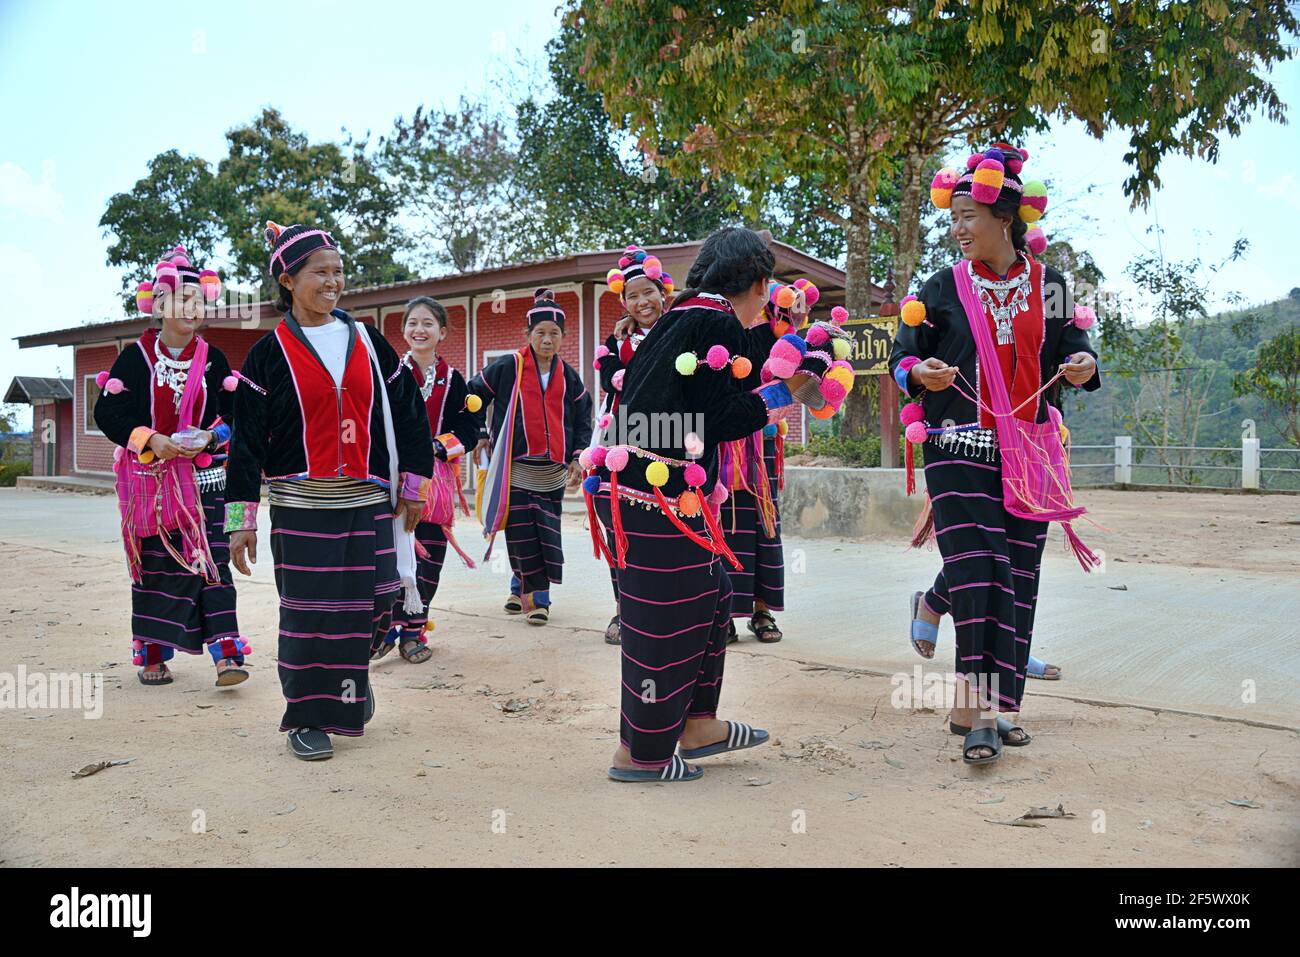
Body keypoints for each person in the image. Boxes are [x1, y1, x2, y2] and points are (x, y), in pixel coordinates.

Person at [888, 144, 1100, 765]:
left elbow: (1077, 348)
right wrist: (915, 373)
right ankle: (977, 711)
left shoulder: (1051, 285)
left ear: (1004, 218)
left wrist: (1085, 365)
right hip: (956, 447)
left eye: (967, 219)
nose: (957, 230)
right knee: (979, 566)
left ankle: (995, 709)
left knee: (1020, 575)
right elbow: (905, 355)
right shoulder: (939, 287)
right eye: (951, 219)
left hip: (1029, 453)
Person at [583, 226, 808, 782]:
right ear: (758, 283)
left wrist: (796, 336)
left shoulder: (686, 317)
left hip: (649, 486)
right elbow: (719, 417)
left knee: (711, 596)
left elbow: (716, 383)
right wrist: (785, 395)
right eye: (769, 290)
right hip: (657, 494)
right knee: (667, 620)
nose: (768, 302)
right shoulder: (713, 322)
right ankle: (640, 753)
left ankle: (696, 724)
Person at [224, 222, 433, 761]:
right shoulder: (267, 355)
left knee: (377, 601)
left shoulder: (367, 341)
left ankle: (349, 683)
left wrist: (414, 482)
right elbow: (245, 442)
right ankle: (309, 716)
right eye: (321, 272)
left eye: (339, 271)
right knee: (311, 612)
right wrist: (240, 519)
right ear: (289, 281)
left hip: (368, 502)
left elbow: (408, 412)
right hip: (301, 507)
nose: (334, 281)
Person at [94, 245, 249, 688]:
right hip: (151, 482)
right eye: (182, 299)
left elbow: (236, 414)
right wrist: (151, 439)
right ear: (158, 305)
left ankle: (227, 656)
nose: (192, 308)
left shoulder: (214, 359)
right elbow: (108, 414)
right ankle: (153, 653)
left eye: (199, 300)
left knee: (212, 561)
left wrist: (210, 436)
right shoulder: (134, 358)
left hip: (205, 480)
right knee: (159, 564)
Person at [467, 289, 593, 625]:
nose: (547, 340)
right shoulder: (509, 366)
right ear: (528, 335)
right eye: (541, 333)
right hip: (516, 467)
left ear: (563, 337)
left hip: (551, 473)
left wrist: (579, 456)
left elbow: (584, 417)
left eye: (554, 334)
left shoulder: (569, 376)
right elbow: (472, 394)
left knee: (546, 532)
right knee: (522, 531)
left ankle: (518, 585)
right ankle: (539, 599)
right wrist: (480, 433)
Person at [373, 297, 482, 663]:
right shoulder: (387, 374)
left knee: (429, 555)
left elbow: (470, 429)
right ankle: (388, 626)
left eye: (428, 324)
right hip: (390, 477)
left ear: (443, 332)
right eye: (413, 323)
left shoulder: (454, 382)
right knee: (390, 555)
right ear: (403, 330)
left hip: (433, 483)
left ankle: (414, 630)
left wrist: (437, 446)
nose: (419, 330)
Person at [594, 244, 673, 644]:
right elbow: (609, 375)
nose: (642, 301)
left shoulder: (680, 329)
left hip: (674, 434)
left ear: (663, 292)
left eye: (648, 292)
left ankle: (665, 606)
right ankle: (625, 610)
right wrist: (623, 372)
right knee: (619, 520)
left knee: (668, 519)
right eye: (633, 296)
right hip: (623, 434)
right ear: (623, 302)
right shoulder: (617, 339)